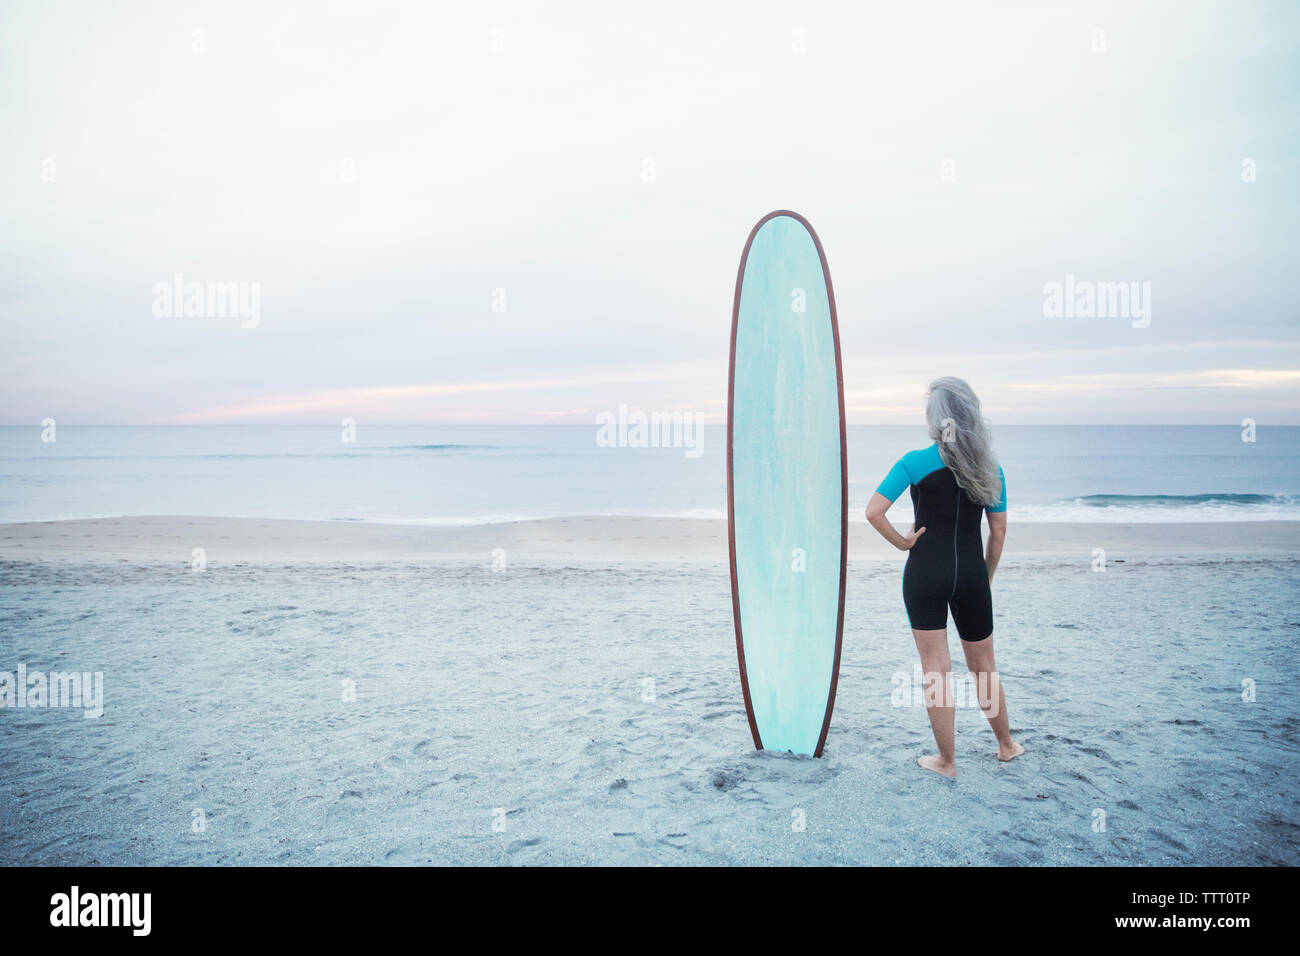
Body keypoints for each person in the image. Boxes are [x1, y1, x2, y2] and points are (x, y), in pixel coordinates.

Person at [865, 377, 1024, 777]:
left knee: (937, 668)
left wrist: (903, 543)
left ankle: (947, 762)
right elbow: (999, 531)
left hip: (925, 572)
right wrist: (982, 577)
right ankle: (1006, 746)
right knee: (984, 665)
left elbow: (873, 512)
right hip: (971, 574)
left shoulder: (914, 462)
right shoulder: (990, 467)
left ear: (935, 419)